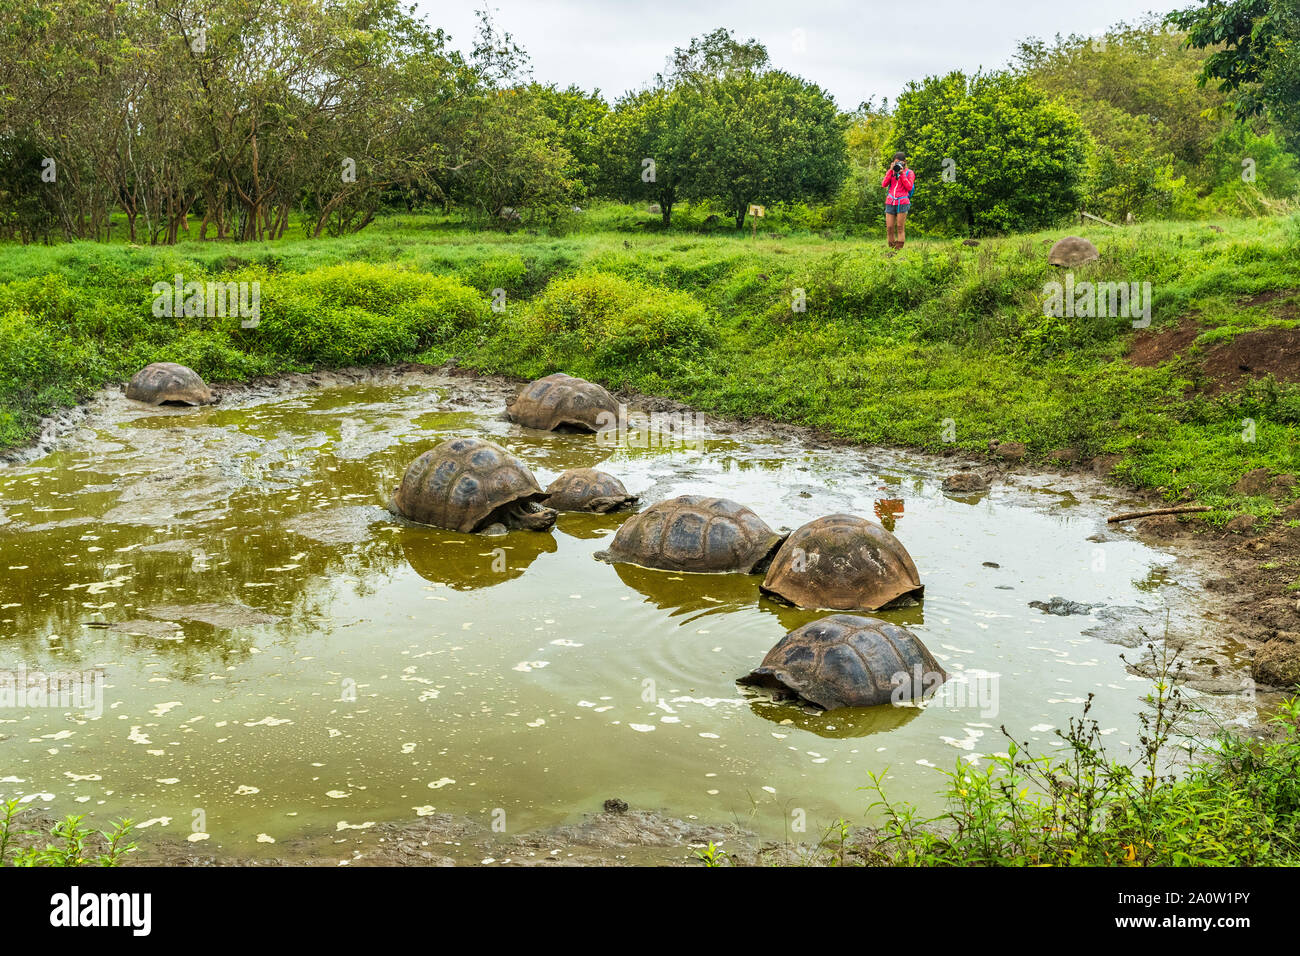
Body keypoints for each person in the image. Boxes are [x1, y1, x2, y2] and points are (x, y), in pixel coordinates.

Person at [882, 151, 914, 251]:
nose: (898, 164)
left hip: (903, 202)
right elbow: (884, 184)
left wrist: (902, 174)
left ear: (904, 162)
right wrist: (890, 171)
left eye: (899, 162)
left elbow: (909, 187)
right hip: (891, 201)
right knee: (889, 228)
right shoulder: (892, 172)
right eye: (896, 162)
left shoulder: (910, 173)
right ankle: (891, 250)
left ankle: (898, 251)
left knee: (900, 227)